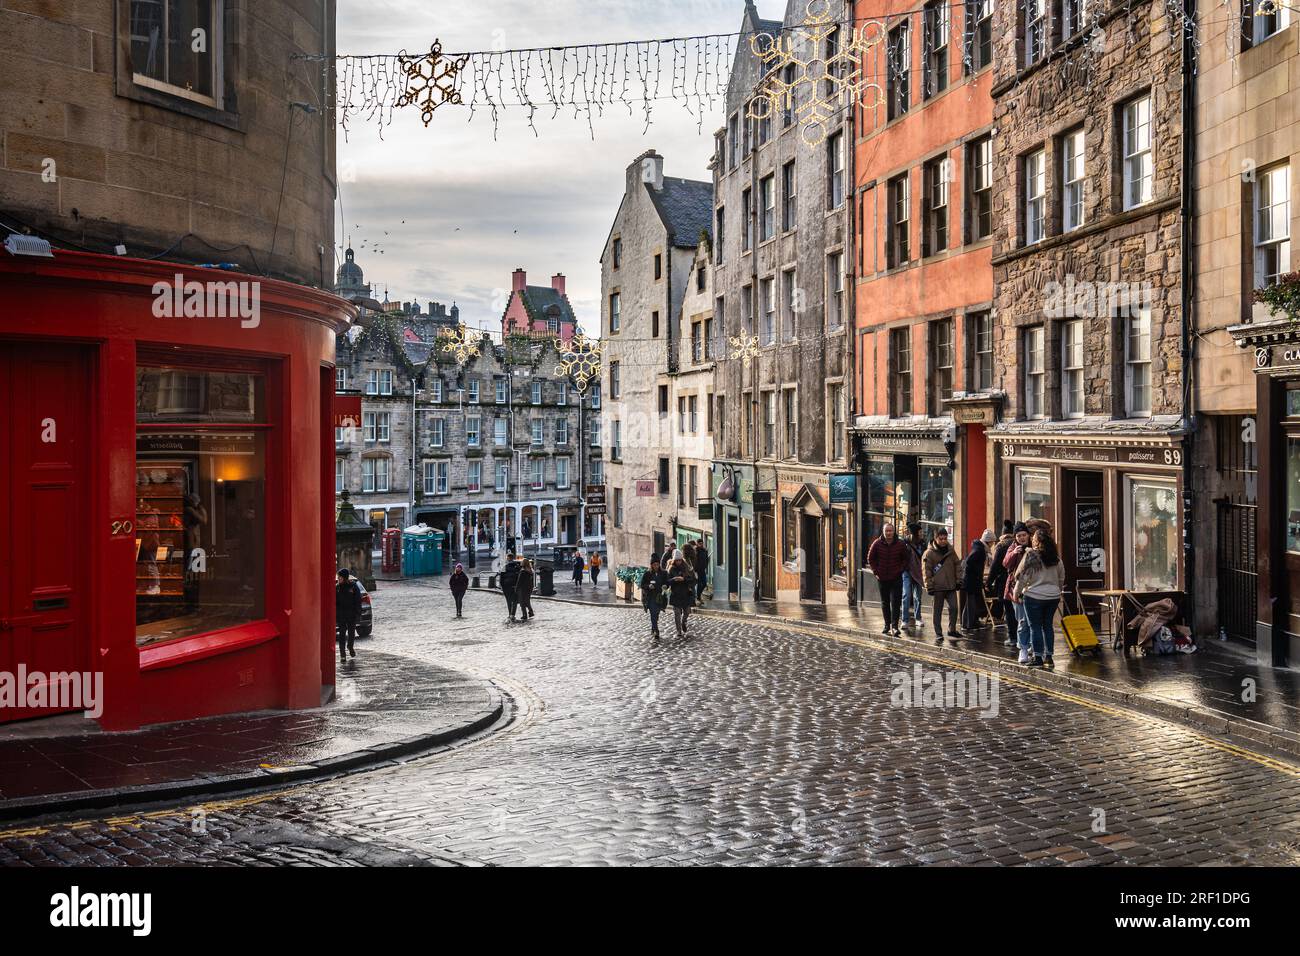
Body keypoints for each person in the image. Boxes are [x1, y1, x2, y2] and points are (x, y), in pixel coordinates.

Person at [1013, 529, 1065, 668]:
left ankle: (1037, 658)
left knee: (1035, 627)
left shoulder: (1032, 556)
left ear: (1036, 542)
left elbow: (1023, 577)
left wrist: (1016, 592)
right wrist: (1057, 591)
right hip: (1053, 597)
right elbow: (1061, 579)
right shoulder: (1056, 559)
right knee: (1048, 626)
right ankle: (1049, 657)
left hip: (1034, 596)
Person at [866, 523, 908, 637]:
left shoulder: (900, 543)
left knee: (896, 602)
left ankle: (894, 626)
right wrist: (876, 572)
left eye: (890, 531)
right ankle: (886, 625)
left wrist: (900, 570)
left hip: (896, 578)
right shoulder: (877, 543)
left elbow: (906, 558)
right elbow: (870, 558)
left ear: (893, 531)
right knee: (885, 603)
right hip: (882, 578)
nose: (888, 533)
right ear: (883, 532)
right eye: (886, 531)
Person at [922, 528, 961, 643]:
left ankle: (951, 629)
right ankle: (938, 633)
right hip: (937, 586)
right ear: (935, 538)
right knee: (937, 611)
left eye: (945, 538)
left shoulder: (951, 550)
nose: (944, 541)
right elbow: (926, 571)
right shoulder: (929, 553)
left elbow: (957, 566)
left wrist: (959, 580)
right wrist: (929, 585)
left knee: (954, 608)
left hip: (950, 585)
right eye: (941, 539)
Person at [1002, 523, 1033, 662]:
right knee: (1022, 621)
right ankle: (1023, 648)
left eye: (1024, 535)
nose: (1021, 538)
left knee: (1033, 621)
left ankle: (1034, 646)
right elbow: (1005, 563)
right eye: (1018, 536)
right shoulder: (1012, 547)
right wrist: (1014, 553)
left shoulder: (1034, 546)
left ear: (1028, 535)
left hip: (1033, 588)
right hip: (1017, 589)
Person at [986, 520, 1017, 643]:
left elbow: (995, 566)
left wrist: (989, 582)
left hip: (1005, 582)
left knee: (1009, 610)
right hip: (1018, 582)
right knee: (1018, 611)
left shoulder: (1001, 545)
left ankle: (1013, 637)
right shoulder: (1016, 543)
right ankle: (1021, 638)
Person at [960, 536, 988, 633]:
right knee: (970, 603)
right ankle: (968, 624)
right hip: (971, 581)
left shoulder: (978, 549)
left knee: (971, 603)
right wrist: (976, 572)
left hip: (972, 581)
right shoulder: (979, 550)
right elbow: (969, 562)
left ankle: (969, 623)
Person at [901, 525, 926, 628]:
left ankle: (918, 618)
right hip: (907, 572)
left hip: (918, 572)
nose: (921, 534)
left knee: (918, 597)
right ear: (914, 534)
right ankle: (905, 620)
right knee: (906, 595)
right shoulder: (904, 543)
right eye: (920, 532)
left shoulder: (922, 544)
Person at [667, 553, 697, 637]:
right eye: (677, 560)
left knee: (687, 611)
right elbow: (667, 581)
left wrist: (684, 579)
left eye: (679, 560)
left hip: (686, 594)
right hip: (675, 594)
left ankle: (684, 621)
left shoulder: (686, 568)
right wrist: (674, 579)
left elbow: (693, 580)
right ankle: (678, 630)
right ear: (674, 560)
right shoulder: (671, 569)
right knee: (677, 613)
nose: (678, 562)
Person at [335, 568, 362, 662]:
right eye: (338, 577)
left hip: (351, 614)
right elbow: (334, 603)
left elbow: (358, 600)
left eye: (340, 577)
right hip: (341, 615)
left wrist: (357, 612)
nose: (338, 579)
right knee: (342, 634)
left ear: (345, 578)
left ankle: (350, 647)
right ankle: (342, 654)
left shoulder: (353, 586)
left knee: (351, 633)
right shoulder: (337, 588)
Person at [641, 555, 667, 640]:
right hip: (651, 596)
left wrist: (665, 586)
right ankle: (656, 630)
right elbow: (642, 584)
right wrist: (648, 586)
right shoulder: (647, 573)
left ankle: (653, 627)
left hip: (660, 597)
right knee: (653, 613)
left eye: (657, 564)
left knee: (656, 614)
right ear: (651, 565)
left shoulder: (663, 573)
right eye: (654, 564)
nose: (656, 566)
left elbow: (667, 582)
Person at [501, 552, 522, 621]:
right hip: (515, 586)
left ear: (508, 558)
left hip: (507, 587)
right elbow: (520, 576)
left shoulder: (504, 567)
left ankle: (510, 614)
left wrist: (502, 587)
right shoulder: (517, 566)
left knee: (509, 601)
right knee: (515, 600)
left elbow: (501, 578)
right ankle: (513, 614)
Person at [693, 539, 710, 605]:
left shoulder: (704, 551)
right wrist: (695, 570)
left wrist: (705, 565)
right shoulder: (695, 551)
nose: (701, 545)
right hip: (697, 571)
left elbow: (707, 559)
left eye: (702, 543)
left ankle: (698, 596)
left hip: (702, 570)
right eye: (699, 543)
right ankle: (698, 597)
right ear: (697, 544)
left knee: (704, 584)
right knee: (699, 584)